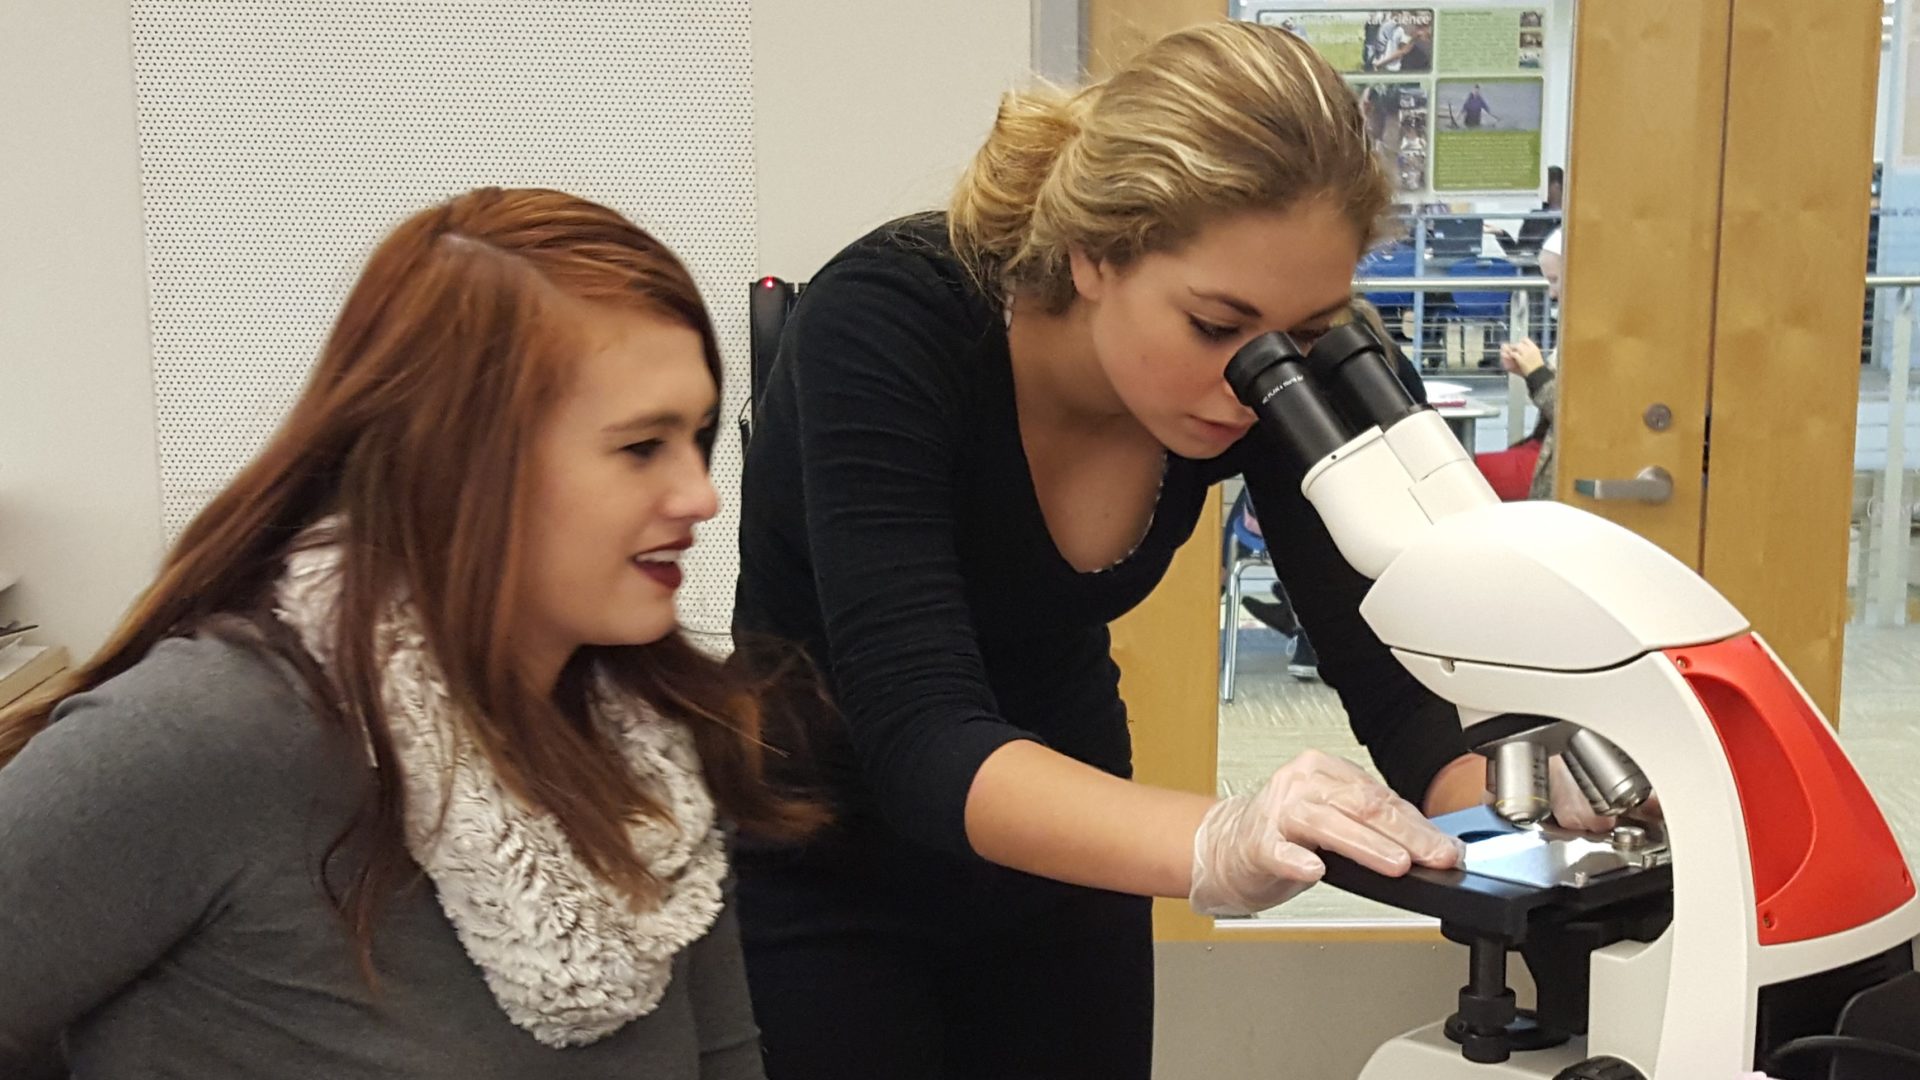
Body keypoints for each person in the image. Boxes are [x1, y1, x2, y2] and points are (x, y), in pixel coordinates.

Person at [731, 24, 1489, 1080]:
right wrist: (1217, 840)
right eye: (1215, 326)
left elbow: (1395, 687)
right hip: (830, 838)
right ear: (1095, 255)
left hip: (1065, 816)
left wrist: (1520, 817)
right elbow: (919, 736)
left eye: (1307, 335)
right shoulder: (889, 322)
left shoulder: (1267, 365)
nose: (1259, 381)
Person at [0, 188, 821, 1079]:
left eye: (699, 436)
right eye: (640, 447)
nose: (701, 496)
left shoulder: (654, 753)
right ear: (455, 462)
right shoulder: (204, 734)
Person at [1500, 226, 1565, 500]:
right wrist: (1528, 372)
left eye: (1555, 280)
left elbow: (1569, 415)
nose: (1552, 294)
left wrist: (1537, 373)